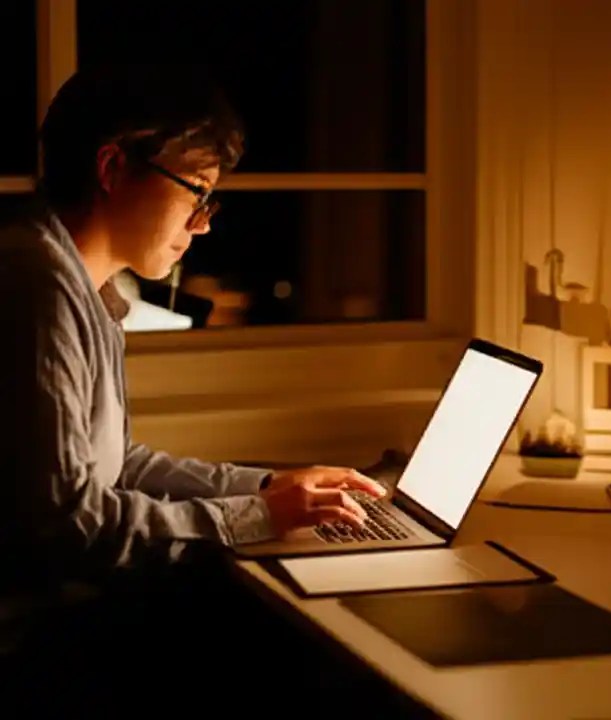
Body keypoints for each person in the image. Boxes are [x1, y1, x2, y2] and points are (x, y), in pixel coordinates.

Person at [0, 66, 400, 715]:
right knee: (308, 654)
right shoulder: (36, 288)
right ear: (112, 168)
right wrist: (262, 518)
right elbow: (68, 525)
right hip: (27, 645)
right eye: (197, 190)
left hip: (63, 616)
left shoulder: (85, 288)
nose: (204, 222)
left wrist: (267, 488)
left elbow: (118, 464)